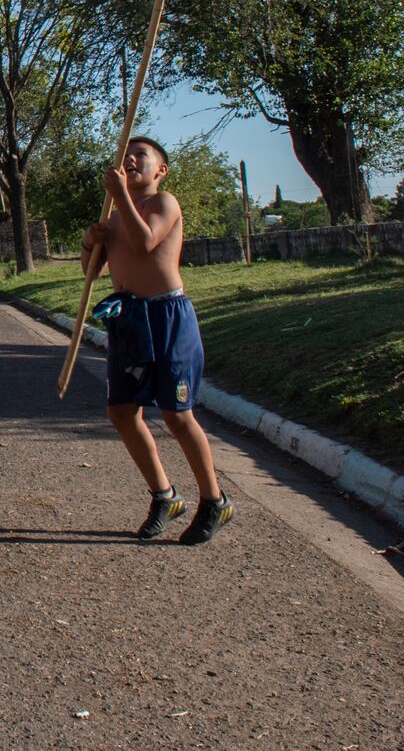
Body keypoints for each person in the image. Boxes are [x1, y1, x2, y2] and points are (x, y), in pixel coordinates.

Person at [83, 136, 234, 544]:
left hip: (168, 316)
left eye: (141, 155)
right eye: (126, 154)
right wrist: (90, 242)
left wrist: (119, 197)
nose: (130, 159)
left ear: (160, 170)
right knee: (121, 410)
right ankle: (164, 495)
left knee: (177, 414)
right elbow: (92, 271)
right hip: (130, 320)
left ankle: (214, 500)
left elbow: (145, 242)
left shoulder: (164, 203)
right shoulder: (114, 215)